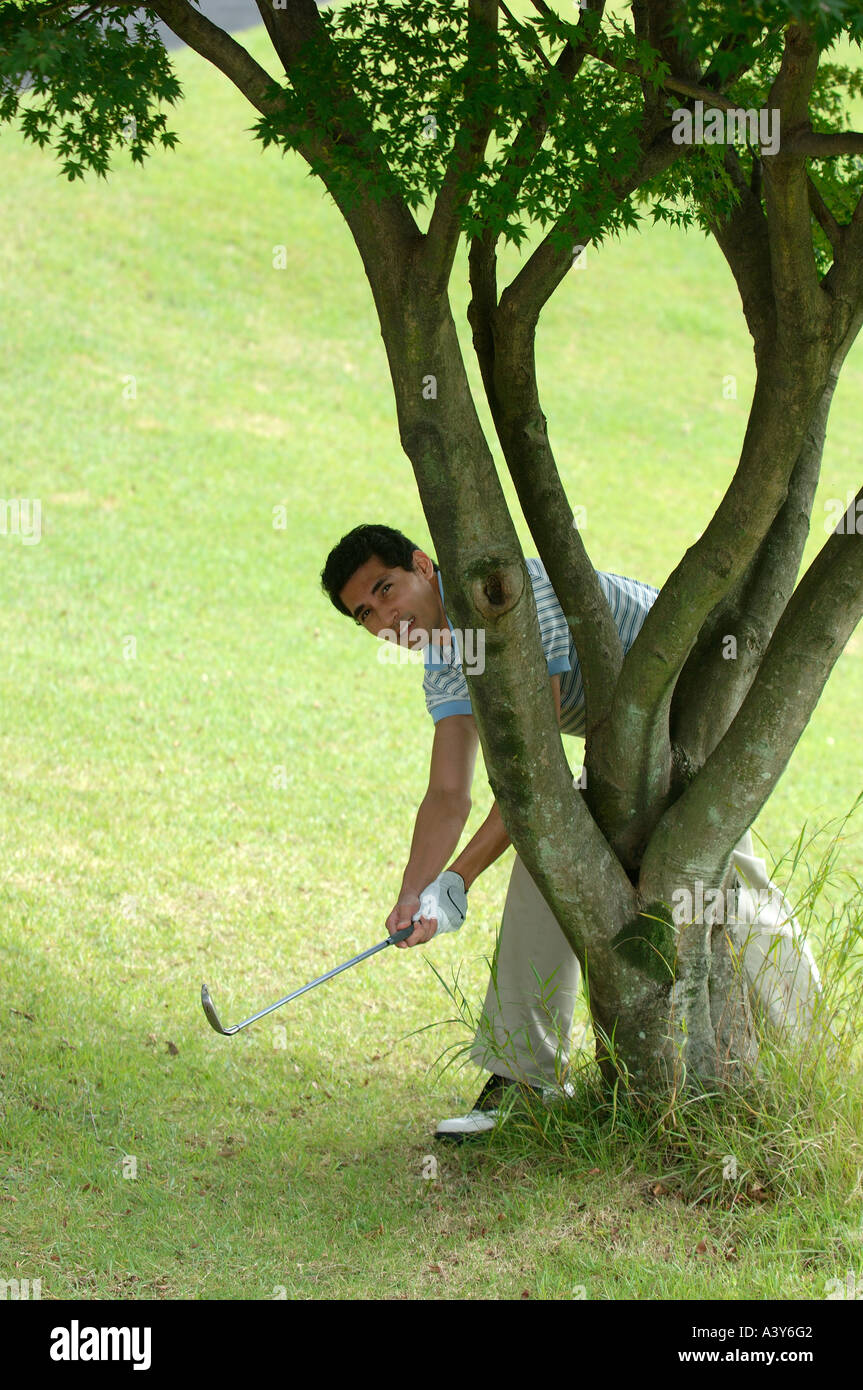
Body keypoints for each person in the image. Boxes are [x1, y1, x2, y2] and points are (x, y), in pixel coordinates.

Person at [320, 522, 661, 1138]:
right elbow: (448, 795)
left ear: (424, 565)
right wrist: (414, 891)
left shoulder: (511, 598)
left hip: (697, 695)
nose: (383, 619)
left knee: (706, 872)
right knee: (553, 844)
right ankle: (528, 1081)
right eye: (365, 614)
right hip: (627, 739)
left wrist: (459, 877)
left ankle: (528, 1080)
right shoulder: (445, 659)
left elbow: (537, 773)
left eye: (386, 589)